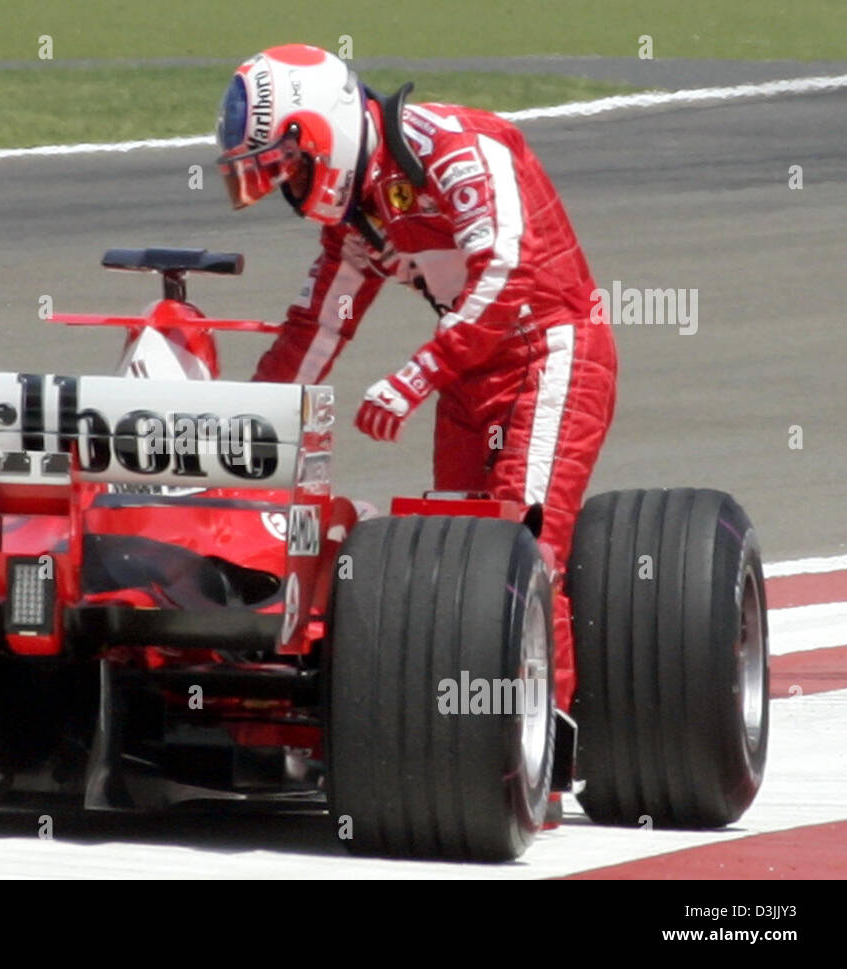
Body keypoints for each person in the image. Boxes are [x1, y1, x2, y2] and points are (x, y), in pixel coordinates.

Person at [216, 43, 617, 714]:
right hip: (467, 373)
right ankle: (464, 738)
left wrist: (415, 375)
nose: (287, 187)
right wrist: (244, 434)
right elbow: (315, 330)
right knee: (458, 565)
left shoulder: (457, 147)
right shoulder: (360, 214)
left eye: (287, 166)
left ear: (324, 133)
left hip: (552, 353)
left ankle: (541, 749)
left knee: (524, 551)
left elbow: (509, 272)